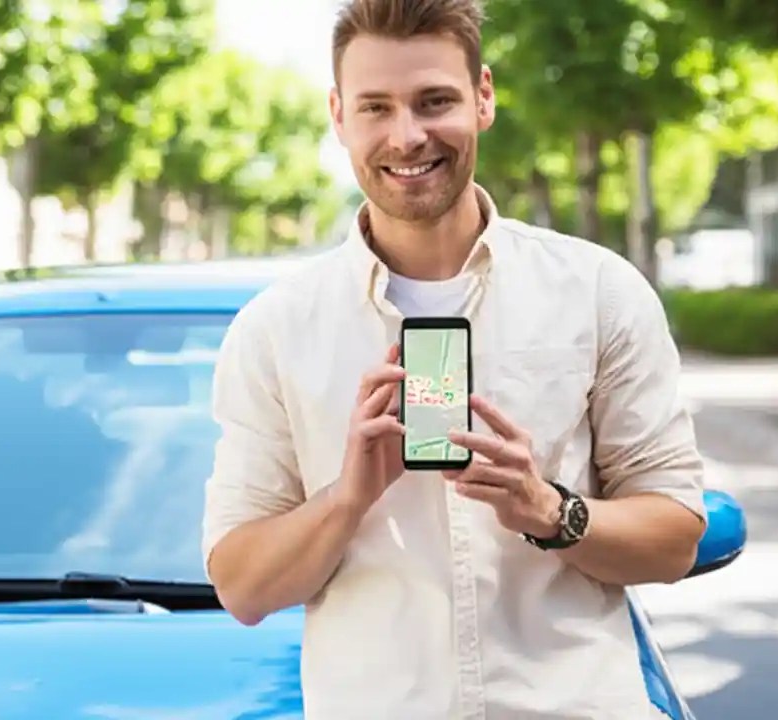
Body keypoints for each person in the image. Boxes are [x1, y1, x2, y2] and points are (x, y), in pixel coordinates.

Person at [200, 1, 706, 718]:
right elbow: (243, 588)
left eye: (435, 101)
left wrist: (546, 507)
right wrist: (349, 496)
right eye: (377, 107)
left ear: (484, 97)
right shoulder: (276, 330)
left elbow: (675, 539)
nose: (407, 137)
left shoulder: (598, 292)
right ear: (339, 115)